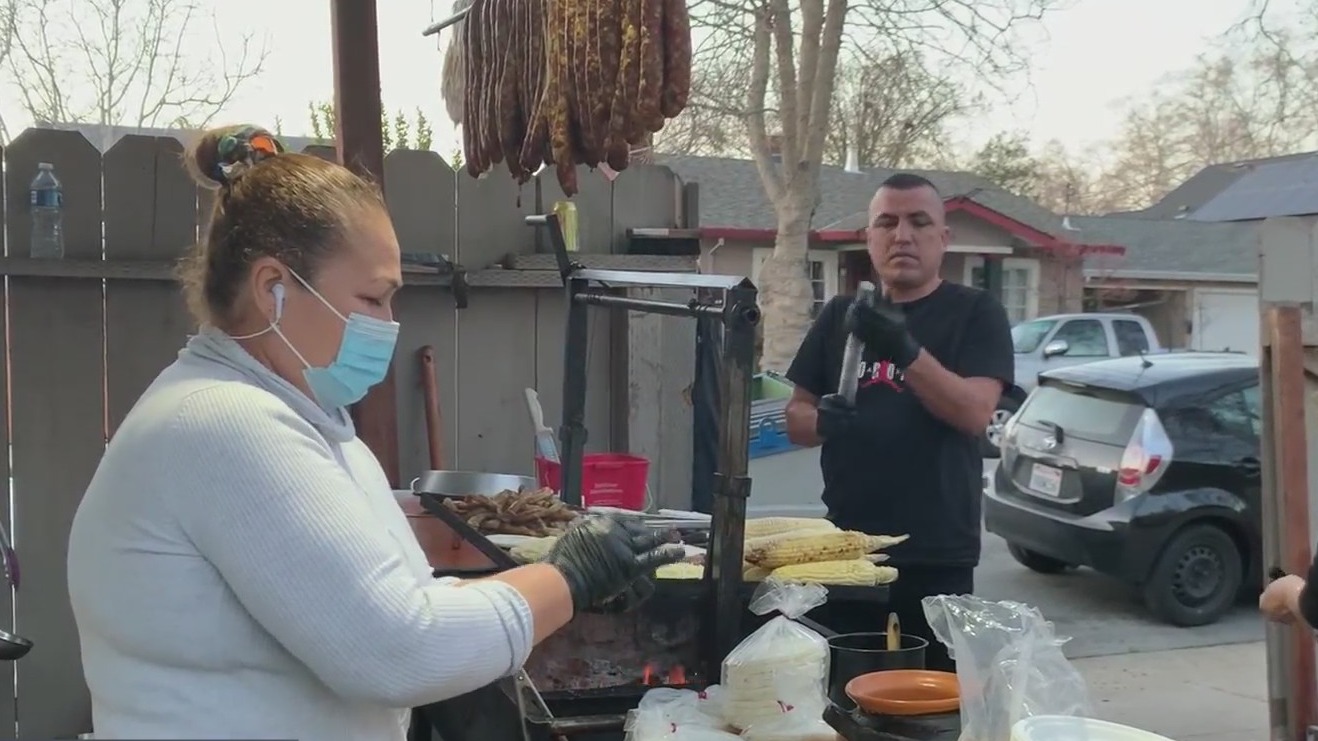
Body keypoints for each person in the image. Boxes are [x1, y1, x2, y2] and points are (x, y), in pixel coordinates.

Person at [65, 125, 684, 740]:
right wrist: (567, 578)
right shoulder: (223, 424)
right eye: (371, 298)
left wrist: (557, 583)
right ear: (272, 288)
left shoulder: (313, 428)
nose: (389, 323)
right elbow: (398, 647)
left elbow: (385, 597)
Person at [783, 173, 1013, 671]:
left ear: (943, 238)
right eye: (886, 223)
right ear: (869, 237)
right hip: (847, 550)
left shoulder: (976, 313)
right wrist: (821, 419)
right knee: (846, 696)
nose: (901, 235)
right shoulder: (841, 314)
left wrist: (905, 350)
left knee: (927, 707)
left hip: (937, 555)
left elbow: (975, 413)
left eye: (918, 222)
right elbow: (795, 420)